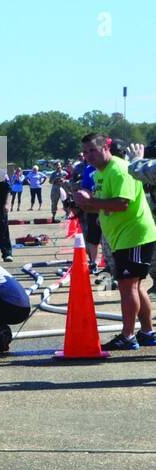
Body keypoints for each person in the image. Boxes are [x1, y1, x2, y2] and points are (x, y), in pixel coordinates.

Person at [68, 136, 156, 350]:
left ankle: (128, 336)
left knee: (127, 286)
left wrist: (90, 201)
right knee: (134, 285)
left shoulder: (118, 169)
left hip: (134, 235)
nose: (88, 156)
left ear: (105, 148)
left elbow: (121, 203)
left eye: (92, 151)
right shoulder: (99, 173)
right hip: (122, 236)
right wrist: (83, 204)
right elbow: (102, 206)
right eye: (85, 152)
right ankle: (147, 331)